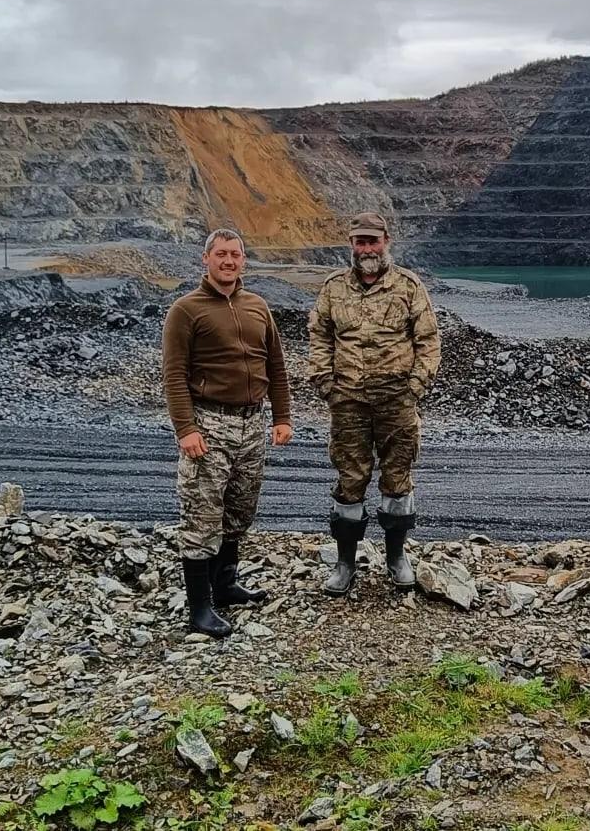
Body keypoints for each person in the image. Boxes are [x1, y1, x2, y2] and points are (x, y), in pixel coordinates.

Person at [162, 227, 293, 637]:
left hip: (252, 423)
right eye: (220, 254)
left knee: (239, 509)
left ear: (243, 261)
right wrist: (186, 428)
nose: (229, 261)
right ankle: (200, 609)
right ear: (206, 259)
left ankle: (225, 585)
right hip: (209, 423)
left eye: (235, 254)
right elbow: (174, 375)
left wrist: (282, 416)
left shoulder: (258, 306)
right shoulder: (186, 310)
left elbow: (276, 365)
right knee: (203, 512)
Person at [307, 211, 441, 596]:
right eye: (360, 242)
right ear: (351, 244)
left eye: (373, 241)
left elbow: (428, 341)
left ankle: (396, 557)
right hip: (347, 402)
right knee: (350, 481)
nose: (367, 249)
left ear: (386, 241)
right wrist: (327, 384)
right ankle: (345, 563)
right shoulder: (333, 288)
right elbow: (319, 337)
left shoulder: (409, 287)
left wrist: (414, 387)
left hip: (397, 402)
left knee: (397, 479)